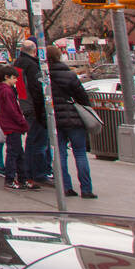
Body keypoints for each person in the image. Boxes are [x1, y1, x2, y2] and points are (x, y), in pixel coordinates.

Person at [46, 45, 96, 199]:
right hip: (73, 118)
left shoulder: (44, 77)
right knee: (80, 153)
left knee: (60, 154)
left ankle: (66, 187)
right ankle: (86, 189)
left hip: (55, 118)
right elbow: (82, 96)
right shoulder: (70, 75)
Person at [13, 39, 53, 186]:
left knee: (32, 141)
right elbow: (36, 90)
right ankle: (38, 173)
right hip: (34, 108)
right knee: (39, 142)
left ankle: (29, 172)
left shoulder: (18, 64)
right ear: (34, 50)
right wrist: (41, 111)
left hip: (25, 105)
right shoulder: (31, 66)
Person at [0, 63, 33, 190]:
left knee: (18, 153)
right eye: (14, 78)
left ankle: (21, 179)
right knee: (14, 153)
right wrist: (22, 122)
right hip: (13, 126)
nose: (16, 81)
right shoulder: (6, 91)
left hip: (10, 126)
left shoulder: (4, 91)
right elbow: (12, 110)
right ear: (6, 77)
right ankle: (11, 179)